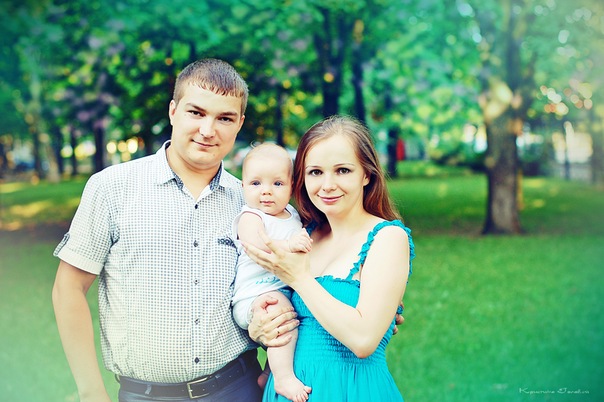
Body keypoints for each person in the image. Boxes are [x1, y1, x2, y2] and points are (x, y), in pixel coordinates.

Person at [51, 58, 298, 402]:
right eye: (196, 112)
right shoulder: (111, 188)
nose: (208, 130)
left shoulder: (253, 202)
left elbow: (282, 279)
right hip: (145, 395)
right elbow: (68, 289)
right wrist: (92, 393)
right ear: (173, 111)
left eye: (224, 118)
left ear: (239, 123)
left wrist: (260, 325)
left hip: (238, 387)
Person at [242, 115, 416, 401]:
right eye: (315, 172)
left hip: (350, 389)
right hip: (288, 391)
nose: (327, 185)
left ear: (367, 174)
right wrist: (259, 329)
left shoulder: (387, 238)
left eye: (343, 170)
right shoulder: (302, 235)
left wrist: (300, 278)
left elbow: (363, 340)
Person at [231, 143, 312, 402]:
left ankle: (268, 372)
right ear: (243, 186)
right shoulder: (251, 216)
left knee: (293, 321)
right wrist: (290, 245)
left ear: (291, 186)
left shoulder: (293, 215)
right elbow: (258, 246)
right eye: (256, 183)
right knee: (282, 318)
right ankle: (284, 378)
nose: (266, 191)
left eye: (277, 183)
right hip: (255, 295)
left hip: (279, 290)